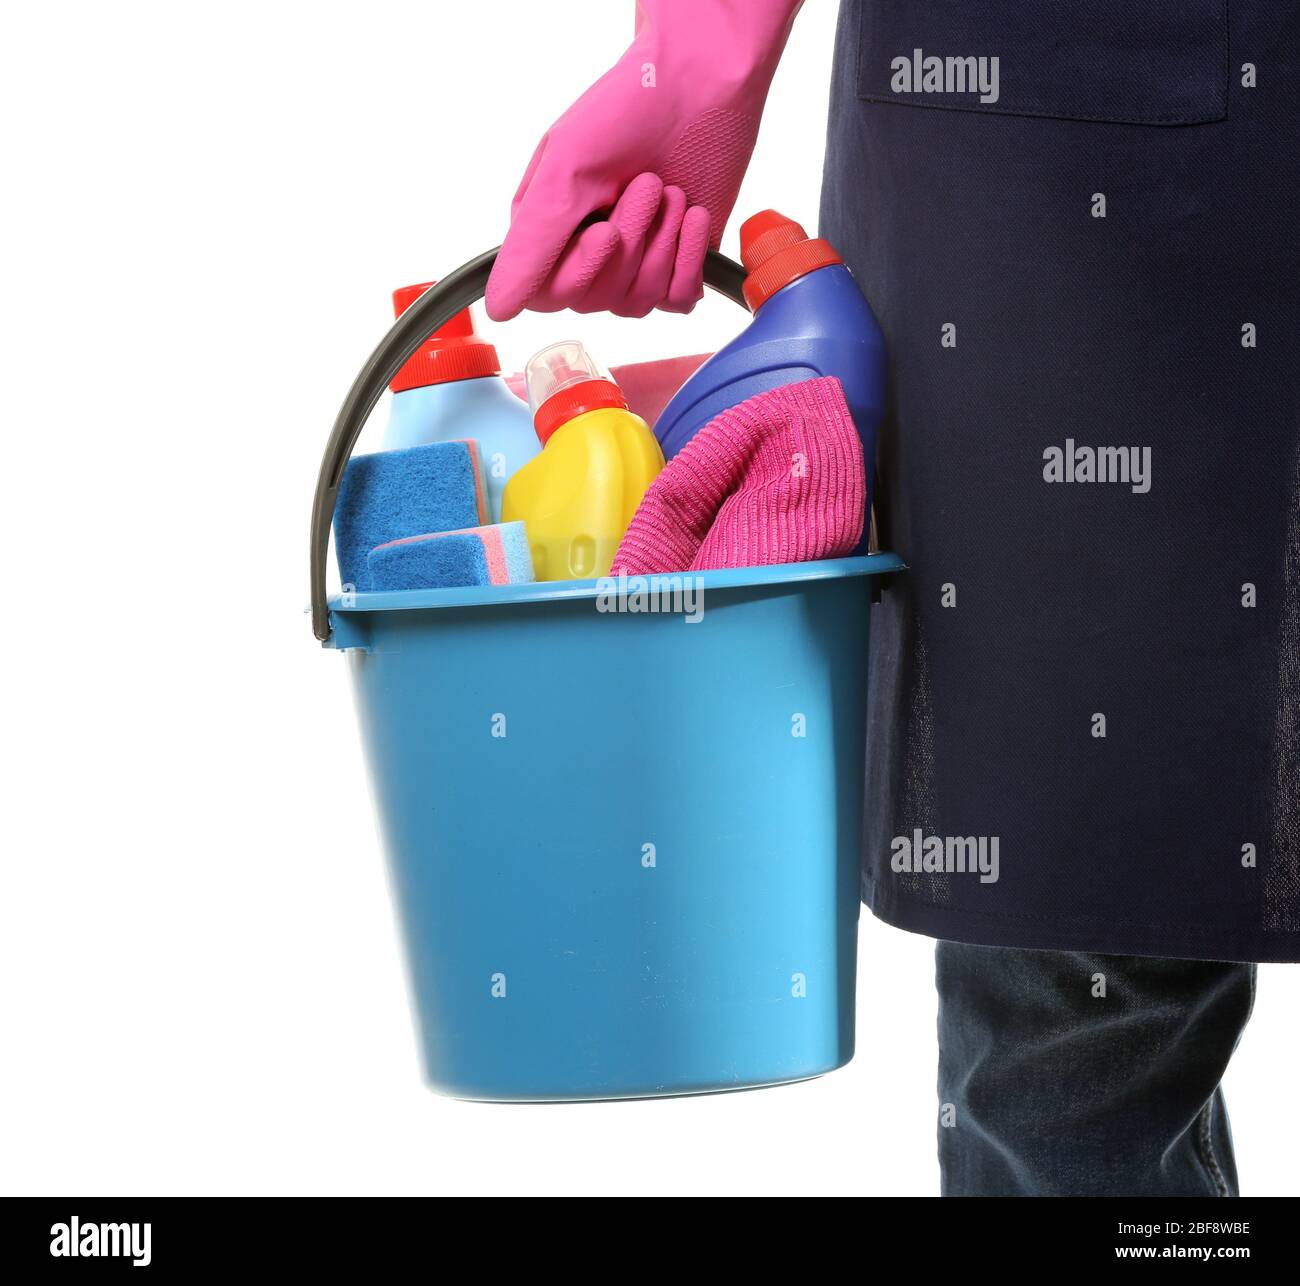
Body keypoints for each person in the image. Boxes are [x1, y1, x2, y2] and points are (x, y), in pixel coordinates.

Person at [485, 0, 1299, 1195]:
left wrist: (706, 47)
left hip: (1057, 126)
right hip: (1060, 148)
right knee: (1078, 953)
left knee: (1079, 1003)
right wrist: (701, 56)